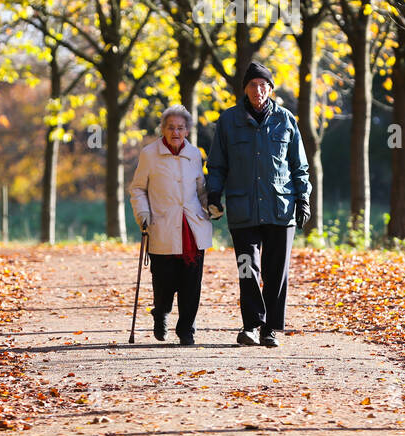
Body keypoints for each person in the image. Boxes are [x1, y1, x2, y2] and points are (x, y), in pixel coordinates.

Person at [206, 61, 311, 348]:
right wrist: (213, 195)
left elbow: (299, 165)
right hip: (244, 209)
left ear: (271, 89)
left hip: (280, 207)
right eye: (252, 84)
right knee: (247, 268)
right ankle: (251, 325)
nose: (258, 90)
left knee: (277, 272)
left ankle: (270, 329)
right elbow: (216, 165)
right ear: (245, 89)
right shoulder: (228, 121)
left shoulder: (286, 120)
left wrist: (303, 198)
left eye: (263, 85)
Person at [129, 104, 215, 346]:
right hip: (162, 225)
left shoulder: (195, 154)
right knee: (164, 283)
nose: (175, 132)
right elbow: (137, 188)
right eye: (170, 128)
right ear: (163, 129)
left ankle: (186, 329)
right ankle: (161, 311)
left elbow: (201, 190)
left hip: (192, 227)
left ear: (187, 130)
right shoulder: (149, 154)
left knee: (191, 283)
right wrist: (143, 213)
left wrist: (211, 206)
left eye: (180, 128)